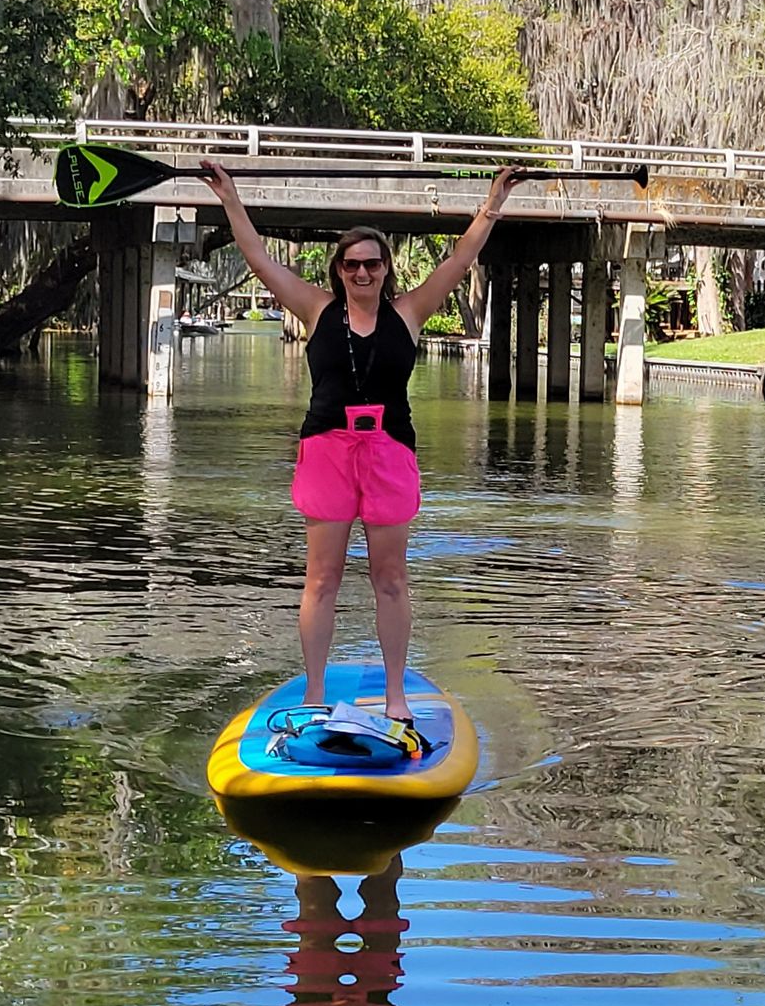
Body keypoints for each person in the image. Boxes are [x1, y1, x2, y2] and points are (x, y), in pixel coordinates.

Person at [201, 160, 526, 723]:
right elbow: (258, 258)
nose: (362, 272)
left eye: (372, 263)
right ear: (339, 270)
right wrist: (230, 197)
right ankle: (314, 694)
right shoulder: (316, 309)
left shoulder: (410, 312)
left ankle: (396, 697)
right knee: (322, 578)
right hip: (327, 451)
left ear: (385, 268)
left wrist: (493, 202)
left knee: (391, 579)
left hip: (389, 453)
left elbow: (459, 260)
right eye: (351, 264)